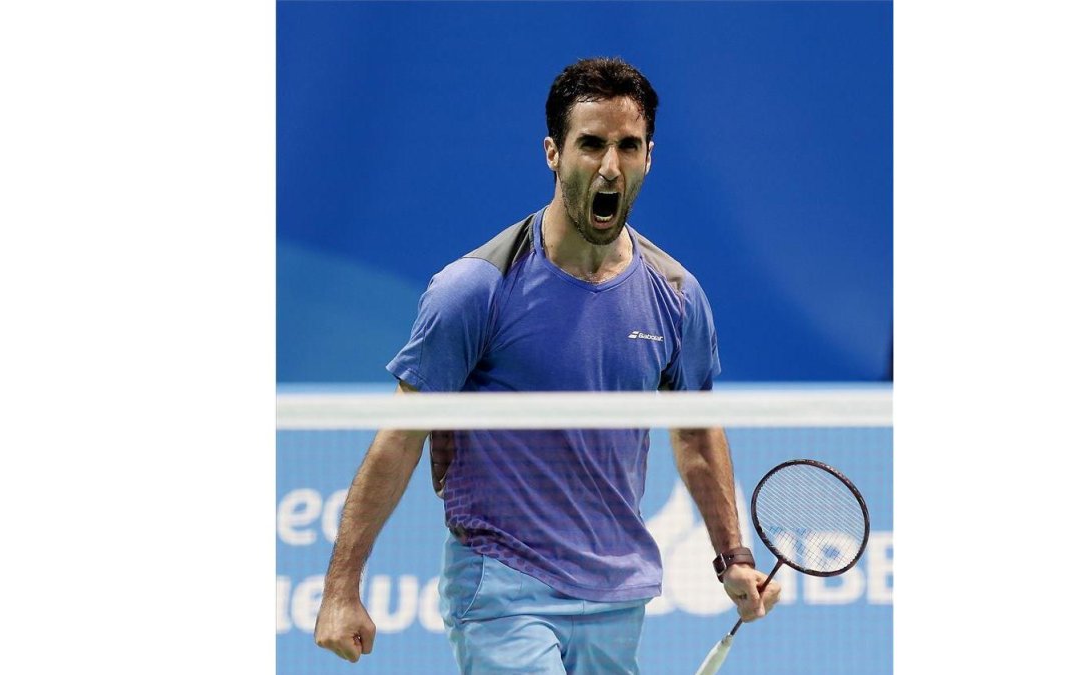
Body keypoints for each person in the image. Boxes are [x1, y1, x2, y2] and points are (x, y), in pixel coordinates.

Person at [314, 56, 781, 674]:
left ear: (649, 157)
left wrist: (734, 557)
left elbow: (695, 433)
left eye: (628, 146)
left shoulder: (676, 296)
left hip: (616, 591)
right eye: (590, 145)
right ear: (553, 153)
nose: (610, 167)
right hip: (504, 582)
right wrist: (341, 589)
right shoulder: (477, 288)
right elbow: (401, 438)